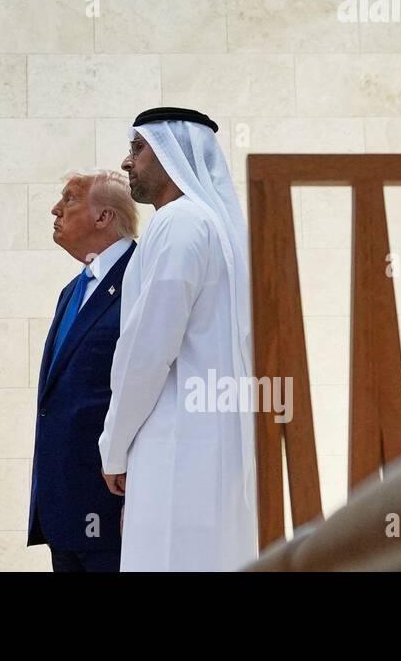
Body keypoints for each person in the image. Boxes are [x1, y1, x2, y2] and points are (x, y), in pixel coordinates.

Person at [98, 107, 257, 571]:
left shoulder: (179, 222)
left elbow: (146, 350)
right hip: (216, 440)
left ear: (172, 153)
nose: (127, 163)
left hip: (176, 443)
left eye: (138, 149)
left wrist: (115, 444)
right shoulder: (216, 226)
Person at [28, 170, 138, 572]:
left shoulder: (142, 276)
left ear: (104, 217)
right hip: (64, 507)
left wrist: (136, 498)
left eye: (70, 200)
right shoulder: (73, 290)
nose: (55, 210)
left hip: (113, 504)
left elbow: (149, 385)